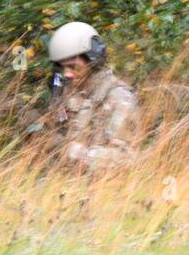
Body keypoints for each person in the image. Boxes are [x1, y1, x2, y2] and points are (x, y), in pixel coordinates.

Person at [41, 21, 141, 170]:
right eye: (62, 67)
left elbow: (125, 158)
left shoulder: (119, 98)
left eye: (73, 67)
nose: (66, 74)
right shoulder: (68, 90)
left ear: (92, 63)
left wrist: (74, 153)